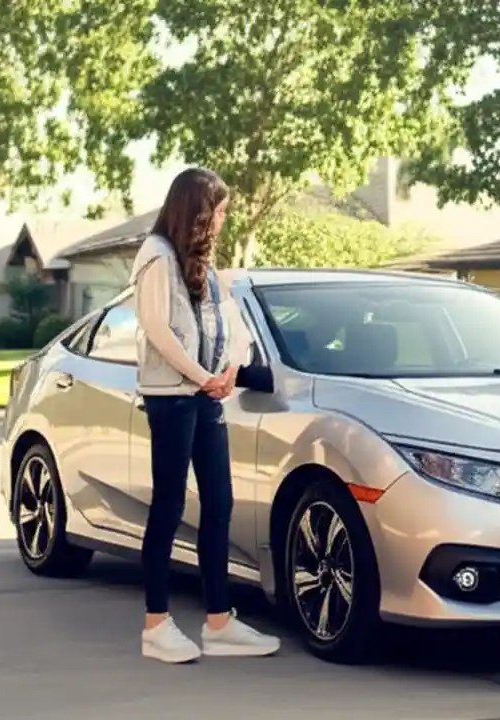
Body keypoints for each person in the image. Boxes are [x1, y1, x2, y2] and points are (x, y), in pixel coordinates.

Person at [129, 167, 280, 663]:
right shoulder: (156, 256)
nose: (220, 221)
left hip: (205, 394)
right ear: (195, 210)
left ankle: (219, 622)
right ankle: (156, 626)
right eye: (217, 211)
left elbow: (231, 323)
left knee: (219, 503)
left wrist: (230, 367)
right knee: (169, 506)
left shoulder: (204, 266)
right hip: (171, 396)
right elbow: (157, 329)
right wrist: (200, 375)